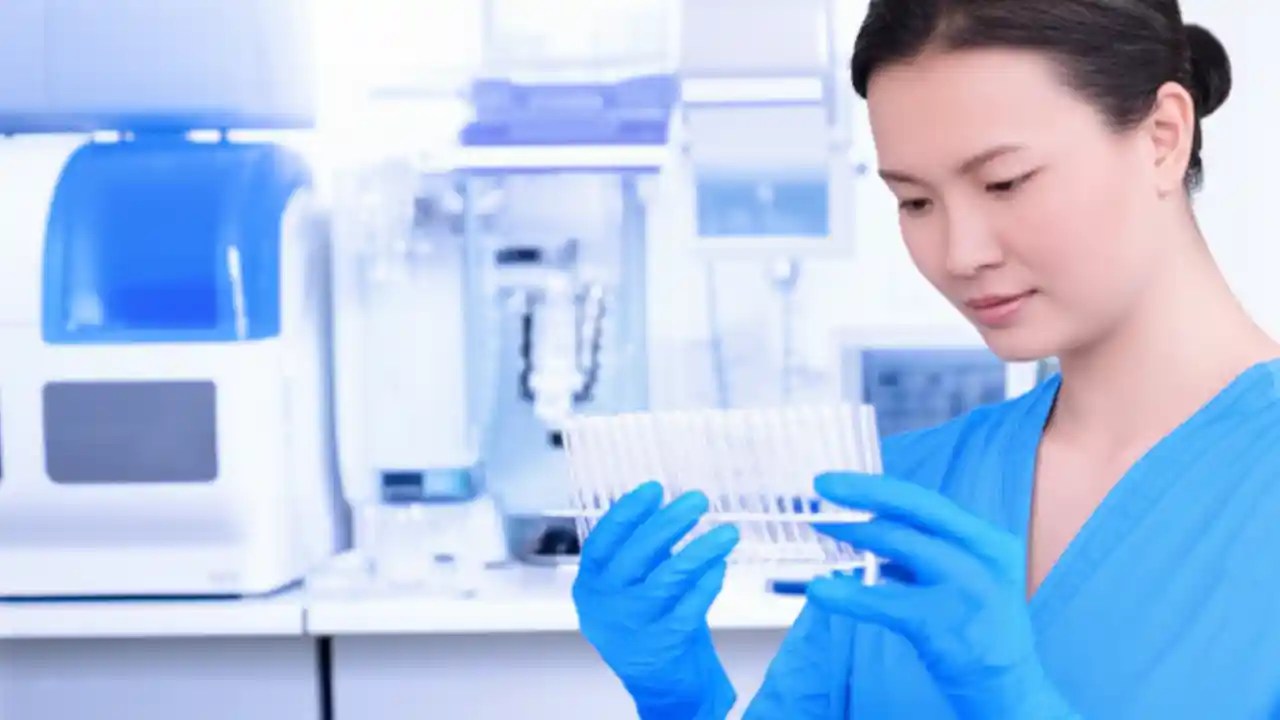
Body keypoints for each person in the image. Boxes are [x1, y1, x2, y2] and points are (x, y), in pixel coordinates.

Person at [571, 0, 1280, 717]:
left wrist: (1013, 702)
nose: (960, 252)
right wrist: (679, 695)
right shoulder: (910, 496)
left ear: (1162, 136)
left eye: (1005, 182)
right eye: (915, 202)